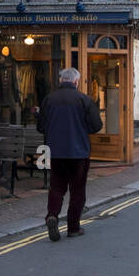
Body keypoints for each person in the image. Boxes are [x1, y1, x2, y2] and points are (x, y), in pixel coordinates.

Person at [37, 67, 102, 241]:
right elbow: (96, 126)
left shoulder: (49, 99)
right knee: (77, 190)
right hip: (78, 152)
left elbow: (40, 126)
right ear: (76, 81)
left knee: (57, 187)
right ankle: (73, 227)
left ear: (60, 80)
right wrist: (81, 129)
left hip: (56, 151)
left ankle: (52, 215)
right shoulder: (84, 100)